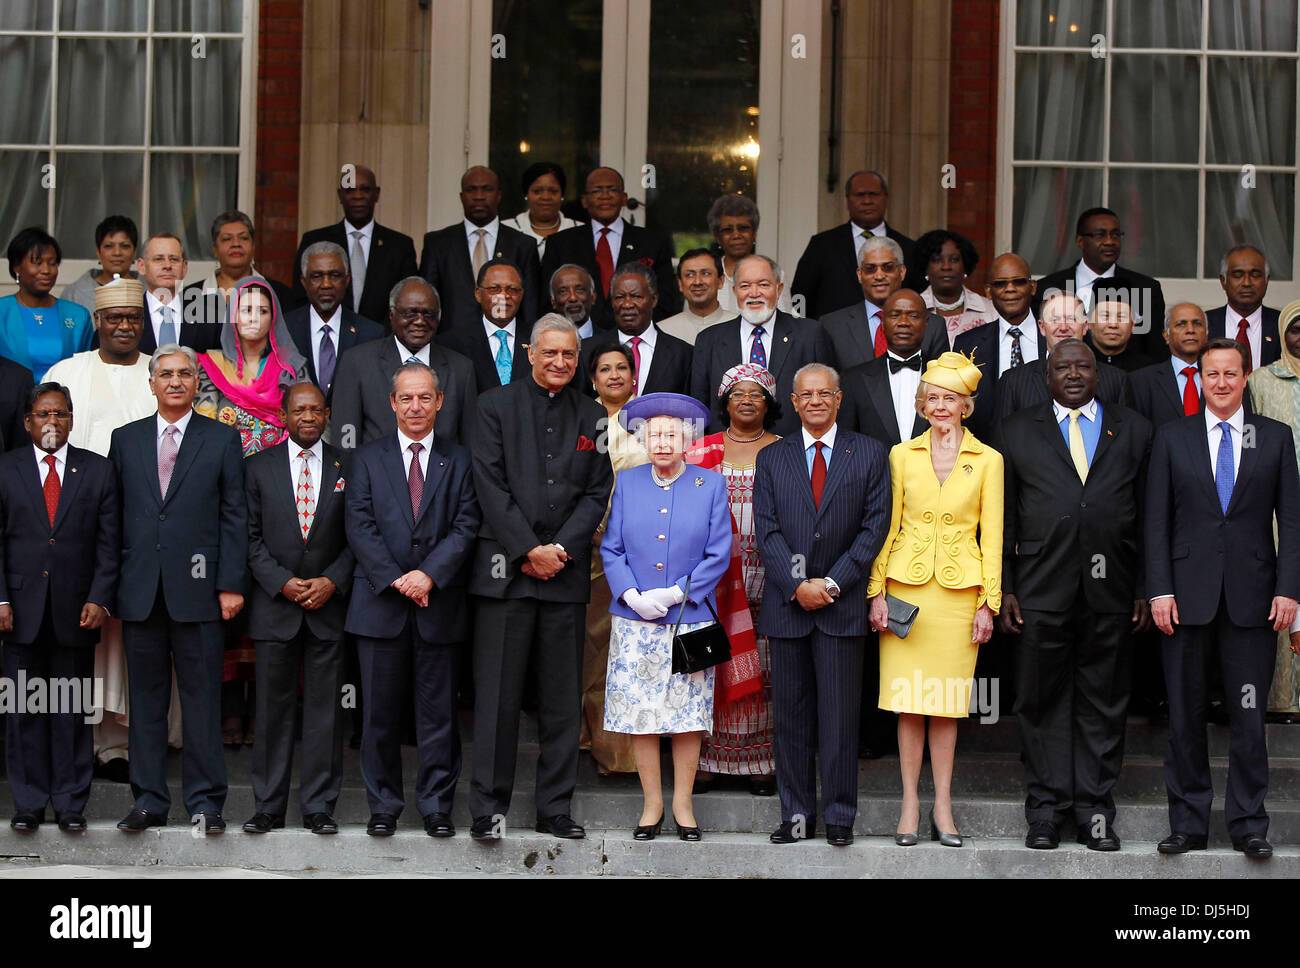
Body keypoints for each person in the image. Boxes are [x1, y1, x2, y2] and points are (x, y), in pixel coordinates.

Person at [995, 339, 1153, 851]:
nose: (1074, 374)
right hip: (1040, 588)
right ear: (1047, 375)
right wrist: (1008, 587)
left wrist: (1146, 588)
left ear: (1098, 373)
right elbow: (1004, 518)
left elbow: (1149, 515)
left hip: (1113, 589)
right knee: (1040, 702)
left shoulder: (1134, 429)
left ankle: (1095, 813)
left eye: (1083, 366)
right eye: (1063, 367)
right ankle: (1045, 812)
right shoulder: (1016, 431)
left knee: (1103, 704)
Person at [1148, 337, 1300, 859]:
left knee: (1249, 716)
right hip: (1185, 600)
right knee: (1187, 714)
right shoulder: (1173, 437)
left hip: (1254, 600)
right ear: (1201, 377)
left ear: (1245, 376)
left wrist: (1289, 590)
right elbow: (1156, 521)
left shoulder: (1275, 438)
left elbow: (1294, 521)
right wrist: (1160, 589)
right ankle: (1188, 824)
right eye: (1211, 374)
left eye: (1230, 374)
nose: (1220, 383)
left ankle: (1249, 825)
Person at [466, 314, 613, 841]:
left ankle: (555, 809)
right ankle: (487, 811)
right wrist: (529, 548)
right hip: (505, 575)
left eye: (569, 355)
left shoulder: (592, 414)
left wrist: (559, 550)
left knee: (560, 702)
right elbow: (488, 483)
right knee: (498, 701)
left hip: (564, 577)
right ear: (529, 353)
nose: (559, 363)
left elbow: (598, 490)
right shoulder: (492, 406)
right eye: (549, 353)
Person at [109, 343, 248, 834]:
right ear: (151, 384)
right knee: (145, 704)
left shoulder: (221, 439)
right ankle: (148, 800)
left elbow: (235, 516)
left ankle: (206, 803)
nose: (173, 381)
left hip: (201, 592)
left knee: (202, 701)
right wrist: (107, 590)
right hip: (140, 591)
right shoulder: (124, 441)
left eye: (183, 374)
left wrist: (231, 584)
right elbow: (113, 522)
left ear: (196, 383)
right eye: (164, 374)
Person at [868, 351, 1002, 848]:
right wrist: (876, 591)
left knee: (946, 706)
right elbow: (888, 525)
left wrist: (989, 601)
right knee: (908, 704)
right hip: (906, 590)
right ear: (923, 405)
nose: (941, 407)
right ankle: (909, 804)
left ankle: (943, 805)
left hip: (959, 595)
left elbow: (993, 535)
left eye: (951, 400)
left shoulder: (989, 460)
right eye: (933, 399)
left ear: (967, 406)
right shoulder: (901, 455)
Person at [754, 363, 891, 846]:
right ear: (792, 403)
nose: (814, 401)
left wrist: (831, 584)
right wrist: (798, 585)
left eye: (823, 393)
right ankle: (795, 816)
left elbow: (874, 527)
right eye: (805, 394)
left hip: (842, 606)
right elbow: (766, 530)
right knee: (789, 719)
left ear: (838, 399)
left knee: (838, 719)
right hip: (789, 608)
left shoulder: (870, 453)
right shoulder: (772, 457)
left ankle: (838, 817)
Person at [345, 362, 481, 837]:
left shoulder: (461, 460)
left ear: (440, 401)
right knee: (378, 716)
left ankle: (437, 806)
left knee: (438, 714)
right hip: (380, 606)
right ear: (392, 403)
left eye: (425, 397)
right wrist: (397, 578)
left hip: (437, 606)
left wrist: (429, 576)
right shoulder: (364, 459)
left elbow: (467, 525)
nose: (416, 407)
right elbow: (358, 526)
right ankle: (383, 806)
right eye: (406, 398)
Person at [602, 392, 731, 841]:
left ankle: (684, 805)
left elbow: (719, 552)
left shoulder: (710, 485)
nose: (662, 442)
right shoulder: (628, 482)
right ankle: (652, 805)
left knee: (686, 714)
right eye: (654, 434)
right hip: (635, 618)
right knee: (640, 713)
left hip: (690, 617)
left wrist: (679, 592)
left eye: (672, 434)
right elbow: (611, 548)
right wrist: (633, 595)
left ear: (687, 440)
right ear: (642, 438)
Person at [45, 278, 160, 772]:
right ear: (97, 321)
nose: (123, 326)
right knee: (82, 630)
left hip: (141, 528)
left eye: (133, 318)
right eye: (114, 318)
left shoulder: (160, 375)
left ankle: (123, 743)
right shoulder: (69, 370)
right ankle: (78, 742)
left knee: (131, 631)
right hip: (75, 530)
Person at [0, 382, 118, 832]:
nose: (53, 422)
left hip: (76, 612)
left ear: (71, 419)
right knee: (23, 710)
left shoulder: (98, 471)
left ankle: (70, 804)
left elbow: (110, 545)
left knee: (70, 711)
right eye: (44, 415)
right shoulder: (6, 469)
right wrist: (2, 599)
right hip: (19, 613)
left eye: (61, 414)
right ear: (29, 421)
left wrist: (99, 598)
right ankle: (28, 803)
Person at [242, 381, 355, 835]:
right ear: (283, 416)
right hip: (276, 607)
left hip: (329, 607)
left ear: (327, 414)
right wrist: (282, 583)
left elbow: (361, 533)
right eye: (298, 410)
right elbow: (247, 538)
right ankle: (267, 807)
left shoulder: (351, 464)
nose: (307, 417)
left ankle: (318, 807)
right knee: (272, 712)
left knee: (326, 714)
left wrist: (333, 580)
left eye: (315, 410)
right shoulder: (257, 468)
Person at [689, 364, 781, 793]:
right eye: (738, 393)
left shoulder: (785, 449)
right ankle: (705, 760)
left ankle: (760, 762)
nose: (747, 400)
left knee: (763, 667)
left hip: (772, 574)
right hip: (711, 581)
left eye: (757, 394)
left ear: (771, 404)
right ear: (724, 401)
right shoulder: (700, 450)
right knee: (707, 662)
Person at [581, 345, 645, 774]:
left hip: (637, 552)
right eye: (605, 369)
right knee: (587, 649)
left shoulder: (651, 423)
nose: (614, 375)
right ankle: (585, 739)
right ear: (592, 378)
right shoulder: (579, 420)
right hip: (583, 550)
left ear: (634, 376)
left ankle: (619, 756)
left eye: (622, 367)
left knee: (626, 653)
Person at [690, 255, 830, 438]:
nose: (754, 293)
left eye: (763, 285)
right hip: (726, 457)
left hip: (793, 455)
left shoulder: (810, 334)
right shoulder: (709, 340)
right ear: (735, 291)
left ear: (779, 289)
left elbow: (829, 402)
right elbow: (698, 410)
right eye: (745, 286)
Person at [328, 277, 477, 448]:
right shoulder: (357, 363)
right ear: (392, 315)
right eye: (410, 313)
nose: (420, 321)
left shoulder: (461, 369)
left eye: (428, 314)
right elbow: (346, 439)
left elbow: (470, 443)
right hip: (375, 473)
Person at [541, 167, 680, 330]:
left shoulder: (652, 242)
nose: (605, 196)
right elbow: (548, 301)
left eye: (612, 190)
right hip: (577, 338)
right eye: (597, 191)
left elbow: (666, 300)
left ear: (624, 198)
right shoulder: (560, 243)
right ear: (584, 201)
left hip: (635, 337)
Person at [1247, 300, 1300, 720]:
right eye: (1295, 327)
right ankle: (1281, 699)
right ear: (1282, 333)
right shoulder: (1262, 380)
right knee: (1283, 595)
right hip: (1277, 506)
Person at [291, 164, 419, 326]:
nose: (358, 196)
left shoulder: (400, 245)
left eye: (365, 189)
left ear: (376, 194)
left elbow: (407, 300)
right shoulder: (315, 240)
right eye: (350, 190)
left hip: (383, 341)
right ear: (340, 195)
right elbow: (300, 296)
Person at [419, 166, 542, 334]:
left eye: (487, 189)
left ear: (499, 195)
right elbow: (427, 301)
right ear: (462, 197)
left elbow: (530, 308)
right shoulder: (438, 243)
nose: (479, 197)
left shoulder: (522, 245)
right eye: (471, 190)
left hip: (506, 343)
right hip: (451, 343)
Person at [1034, 206, 1166, 363]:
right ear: (1080, 241)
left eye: (1115, 235)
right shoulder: (1048, 288)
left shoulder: (1146, 289)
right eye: (1100, 235)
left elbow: (1156, 352)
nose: (1109, 241)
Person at [195, 279, 304, 458]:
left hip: (279, 471)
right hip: (226, 470)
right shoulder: (213, 365)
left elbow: (306, 419)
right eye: (246, 310)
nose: (254, 318)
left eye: (262, 311)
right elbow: (204, 429)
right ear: (233, 315)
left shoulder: (290, 365)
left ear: (273, 317)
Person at [791, 170, 917, 319]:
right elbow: (801, 294)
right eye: (860, 195)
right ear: (847, 199)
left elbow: (917, 296)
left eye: (874, 194)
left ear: (886, 198)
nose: (867, 200)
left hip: (892, 335)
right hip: (834, 337)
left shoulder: (908, 247)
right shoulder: (822, 245)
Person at [995, 292, 1135, 422]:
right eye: (1055, 319)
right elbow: (1002, 440)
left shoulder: (1117, 380)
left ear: (1085, 326)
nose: (1063, 327)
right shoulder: (1013, 381)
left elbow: (1128, 434)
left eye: (1071, 319)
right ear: (1042, 327)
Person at [818, 237, 947, 372]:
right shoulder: (832, 326)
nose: (879, 276)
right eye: (870, 269)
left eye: (888, 267)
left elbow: (942, 385)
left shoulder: (933, 325)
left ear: (902, 272)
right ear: (859, 275)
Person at [953, 252, 1042, 440]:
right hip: (987, 452)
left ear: (1032, 287)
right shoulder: (967, 345)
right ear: (987, 291)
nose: (1010, 289)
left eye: (1018, 282)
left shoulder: (1052, 336)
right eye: (1000, 284)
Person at [282, 241, 386, 401]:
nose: (326, 284)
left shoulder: (371, 334)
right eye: (317, 276)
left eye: (335, 276)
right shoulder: (284, 329)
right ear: (304, 282)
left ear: (347, 280)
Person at [578, 262, 693, 396]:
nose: (627, 304)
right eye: (620, 297)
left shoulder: (683, 354)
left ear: (654, 299)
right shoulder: (586, 351)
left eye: (636, 296)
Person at [839, 289, 932, 447]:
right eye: (895, 315)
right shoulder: (854, 379)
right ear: (882, 324)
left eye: (913, 315)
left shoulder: (946, 377)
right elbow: (846, 442)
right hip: (874, 472)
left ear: (926, 323)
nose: (904, 322)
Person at [0, 227, 93, 380]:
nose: (46, 270)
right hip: (10, 402)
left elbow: (86, 370)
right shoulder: (2, 311)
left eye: (52, 263)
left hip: (65, 401)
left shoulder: (77, 315)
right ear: (16, 267)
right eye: (37, 262)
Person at [182, 211, 295, 330]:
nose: (236, 244)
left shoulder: (279, 294)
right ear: (215, 249)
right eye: (227, 239)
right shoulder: (190, 297)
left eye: (244, 238)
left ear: (253, 247)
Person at [439, 260, 533, 392]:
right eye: (495, 289)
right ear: (478, 293)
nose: (504, 296)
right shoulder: (452, 343)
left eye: (512, 289)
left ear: (521, 294)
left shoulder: (538, 339)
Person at [131, 233, 219, 354]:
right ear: (141, 266)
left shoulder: (208, 316)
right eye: (158, 259)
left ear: (184, 268)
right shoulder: (126, 315)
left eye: (174, 259)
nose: (167, 265)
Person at [705, 196, 793, 317]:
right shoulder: (707, 275)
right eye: (727, 230)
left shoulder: (773, 274)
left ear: (754, 232)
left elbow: (785, 320)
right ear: (717, 236)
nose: (736, 235)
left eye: (743, 228)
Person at [1130, 303, 1210, 428]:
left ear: (1206, 333)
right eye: (1181, 324)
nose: (1190, 330)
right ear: (1166, 335)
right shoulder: (1141, 381)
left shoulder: (1223, 378)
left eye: (1197, 323)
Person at [913, 229, 997, 344]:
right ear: (926, 266)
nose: (946, 266)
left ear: (965, 265)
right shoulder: (912, 309)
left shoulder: (990, 310)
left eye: (954, 259)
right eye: (937, 260)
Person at [1208, 245, 1280, 372]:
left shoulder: (1283, 325)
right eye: (1237, 275)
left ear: (1266, 280)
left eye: (1255, 275)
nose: (1247, 283)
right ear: (1223, 281)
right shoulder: (1203, 324)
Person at [60, 215, 139, 315]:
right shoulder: (74, 294)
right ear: (98, 251)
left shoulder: (150, 291)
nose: (117, 252)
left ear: (134, 252)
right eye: (109, 246)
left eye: (125, 246)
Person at [502, 161, 582, 259]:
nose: (545, 197)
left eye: (553, 191)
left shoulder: (579, 230)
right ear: (526, 194)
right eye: (537, 191)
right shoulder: (506, 229)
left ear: (562, 194)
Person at [658, 248, 730, 345]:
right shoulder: (663, 331)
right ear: (680, 284)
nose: (697, 282)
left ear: (720, 281)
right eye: (690, 275)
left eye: (705, 273)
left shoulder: (741, 327)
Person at [1086, 293, 1154, 371]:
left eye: (1121, 317)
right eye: (1105, 316)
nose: (1113, 324)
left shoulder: (1147, 370)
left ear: (1133, 325)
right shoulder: (1075, 366)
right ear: (1089, 323)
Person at [549, 264, 599, 341]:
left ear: (593, 297)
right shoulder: (542, 342)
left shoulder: (610, 341)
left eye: (579, 290)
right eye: (563, 292)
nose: (573, 298)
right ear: (553, 302)